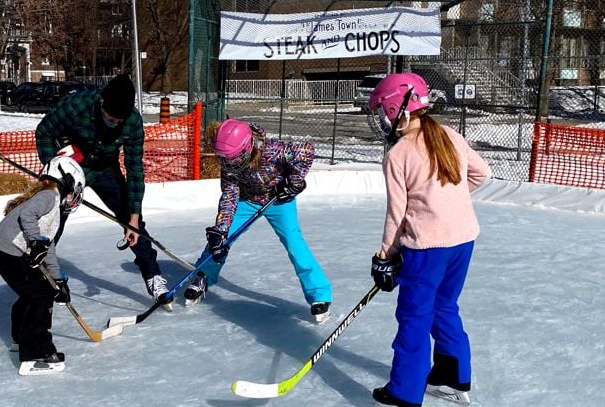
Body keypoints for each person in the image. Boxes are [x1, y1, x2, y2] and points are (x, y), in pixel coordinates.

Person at [366, 73, 491, 407]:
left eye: (382, 111)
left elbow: (397, 213)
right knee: (445, 305)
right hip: (463, 240)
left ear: (397, 108)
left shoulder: (398, 154)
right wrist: (449, 202)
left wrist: (384, 256)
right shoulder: (450, 134)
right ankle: (454, 373)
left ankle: (405, 391)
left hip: (427, 249)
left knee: (414, 316)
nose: (381, 119)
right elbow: (483, 174)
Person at [184, 119, 333, 323]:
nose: (228, 165)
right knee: (220, 239)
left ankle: (319, 294)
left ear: (247, 148)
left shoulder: (274, 150)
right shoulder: (229, 163)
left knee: (294, 243)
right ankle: (203, 277)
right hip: (246, 201)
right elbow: (229, 195)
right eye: (224, 160)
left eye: (232, 160)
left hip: (278, 201)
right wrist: (221, 228)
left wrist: (294, 182)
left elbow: (306, 151)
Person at [35, 74, 168, 301]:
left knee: (131, 219)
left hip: (105, 169)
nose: (115, 123)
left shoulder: (133, 122)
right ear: (101, 104)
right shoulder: (76, 106)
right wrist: (56, 172)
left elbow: (135, 169)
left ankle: (152, 274)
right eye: (111, 118)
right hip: (71, 167)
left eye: (120, 120)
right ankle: (42, 271)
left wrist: (134, 216)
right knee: (54, 219)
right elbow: (44, 133)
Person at [0, 155, 86, 376]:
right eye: (74, 190)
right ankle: (36, 351)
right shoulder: (49, 196)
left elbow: (48, 246)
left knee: (36, 292)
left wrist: (58, 279)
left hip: (7, 251)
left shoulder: (52, 203)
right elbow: (27, 215)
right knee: (40, 297)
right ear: (66, 181)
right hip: (9, 251)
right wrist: (35, 241)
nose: (73, 197)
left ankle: (19, 338)